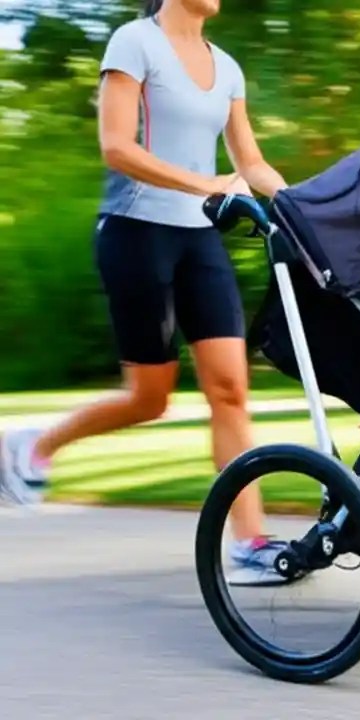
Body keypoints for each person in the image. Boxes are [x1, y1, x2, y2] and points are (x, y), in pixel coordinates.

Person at [0, 0, 294, 586]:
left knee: (231, 390)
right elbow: (117, 146)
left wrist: (306, 211)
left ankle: (250, 544)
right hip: (135, 234)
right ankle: (30, 445)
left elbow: (251, 161)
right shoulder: (133, 42)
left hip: (199, 239)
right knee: (149, 397)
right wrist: (206, 184)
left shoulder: (227, 67)